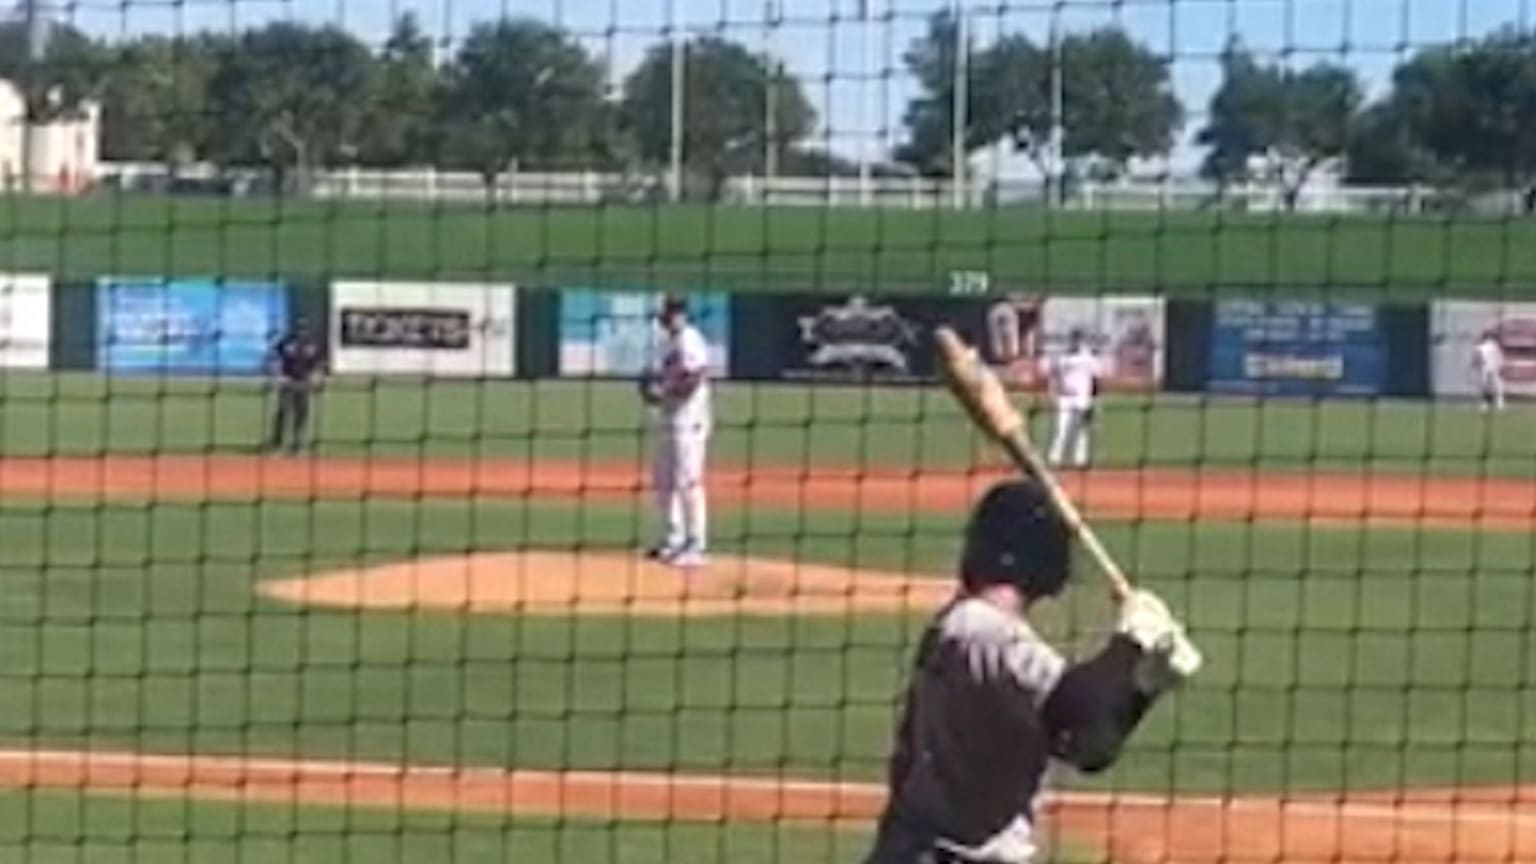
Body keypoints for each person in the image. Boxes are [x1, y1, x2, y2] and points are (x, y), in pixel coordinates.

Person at [861, 479, 1201, 864]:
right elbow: (1078, 707)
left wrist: (1145, 687)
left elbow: (1086, 746)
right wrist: (1129, 644)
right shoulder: (982, 631)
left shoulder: (968, 629)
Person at [639, 296, 713, 568]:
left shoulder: (690, 338)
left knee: (689, 480)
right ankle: (673, 540)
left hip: (690, 420)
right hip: (669, 418)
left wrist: (665, 390)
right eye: (665, 314)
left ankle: (697, 544)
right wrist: (650, 390)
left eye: (672, 313)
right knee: (663, 480)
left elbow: (696, 376)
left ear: (682, 314)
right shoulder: (664, 342)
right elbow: (653, 378)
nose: (667, 318)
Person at [1043, 329, 1101, 468]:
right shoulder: (1062, 357)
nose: (1076, 341)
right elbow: (1053, 376)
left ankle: (1080, 460)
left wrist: (1093, 400)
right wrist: (1053, 392)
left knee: (1081, 430)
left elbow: (1096, 379)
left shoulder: (1088, 358)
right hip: (1064, 397)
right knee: (1060, 428)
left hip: (1083, 397)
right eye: (1074, 338)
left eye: (1079, 339)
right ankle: (1055, 459)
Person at [267, 316, 324, 454]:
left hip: (303, 382)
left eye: (304, 328)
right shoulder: (286, 342)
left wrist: (316, 377)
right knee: (283, 412)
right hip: (288, 381)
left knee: (302, 413)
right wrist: (278, 376)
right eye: (299, 328)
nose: (301, 331)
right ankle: (277, 443)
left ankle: (297, 444)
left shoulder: (312, 344)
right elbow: (275, 358)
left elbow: (318, 363)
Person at [1473, 329, 1506, 412]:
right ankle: (1499, 403)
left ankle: (1486, 404)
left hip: (1485, 368)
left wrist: (1475, 365)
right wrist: (1500, 366)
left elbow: (1477, 358)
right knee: (1496, 385)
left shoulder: (1481, 347)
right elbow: (1500, 358)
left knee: (1485, 386)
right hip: (1494, 367)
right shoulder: (1495, 346)